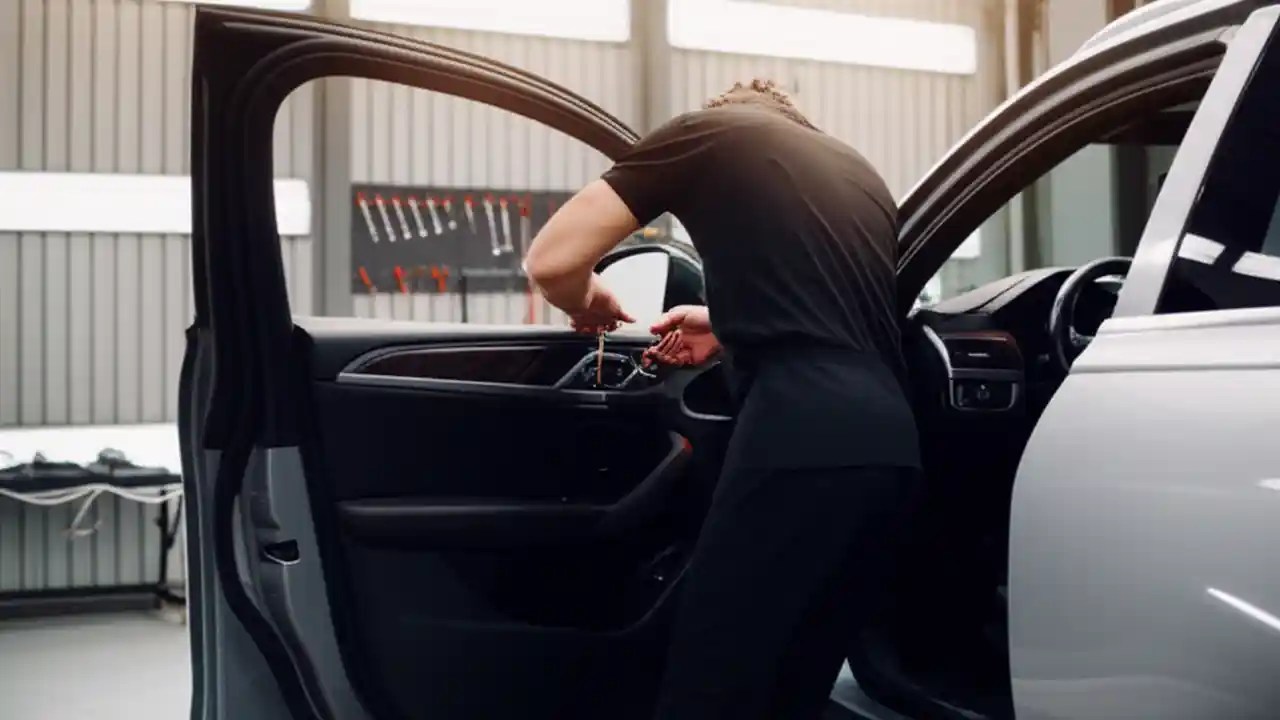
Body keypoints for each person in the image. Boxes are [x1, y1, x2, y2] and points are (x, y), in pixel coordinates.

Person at [524, 79, 921, 720]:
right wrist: (728, 326)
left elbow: (551, 261)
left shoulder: (706, 133)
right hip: (891, 446)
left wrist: (588, 299)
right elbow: (831, 309)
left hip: (799, 438)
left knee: (714, 686)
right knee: (795, 684)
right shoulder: (861, 173)